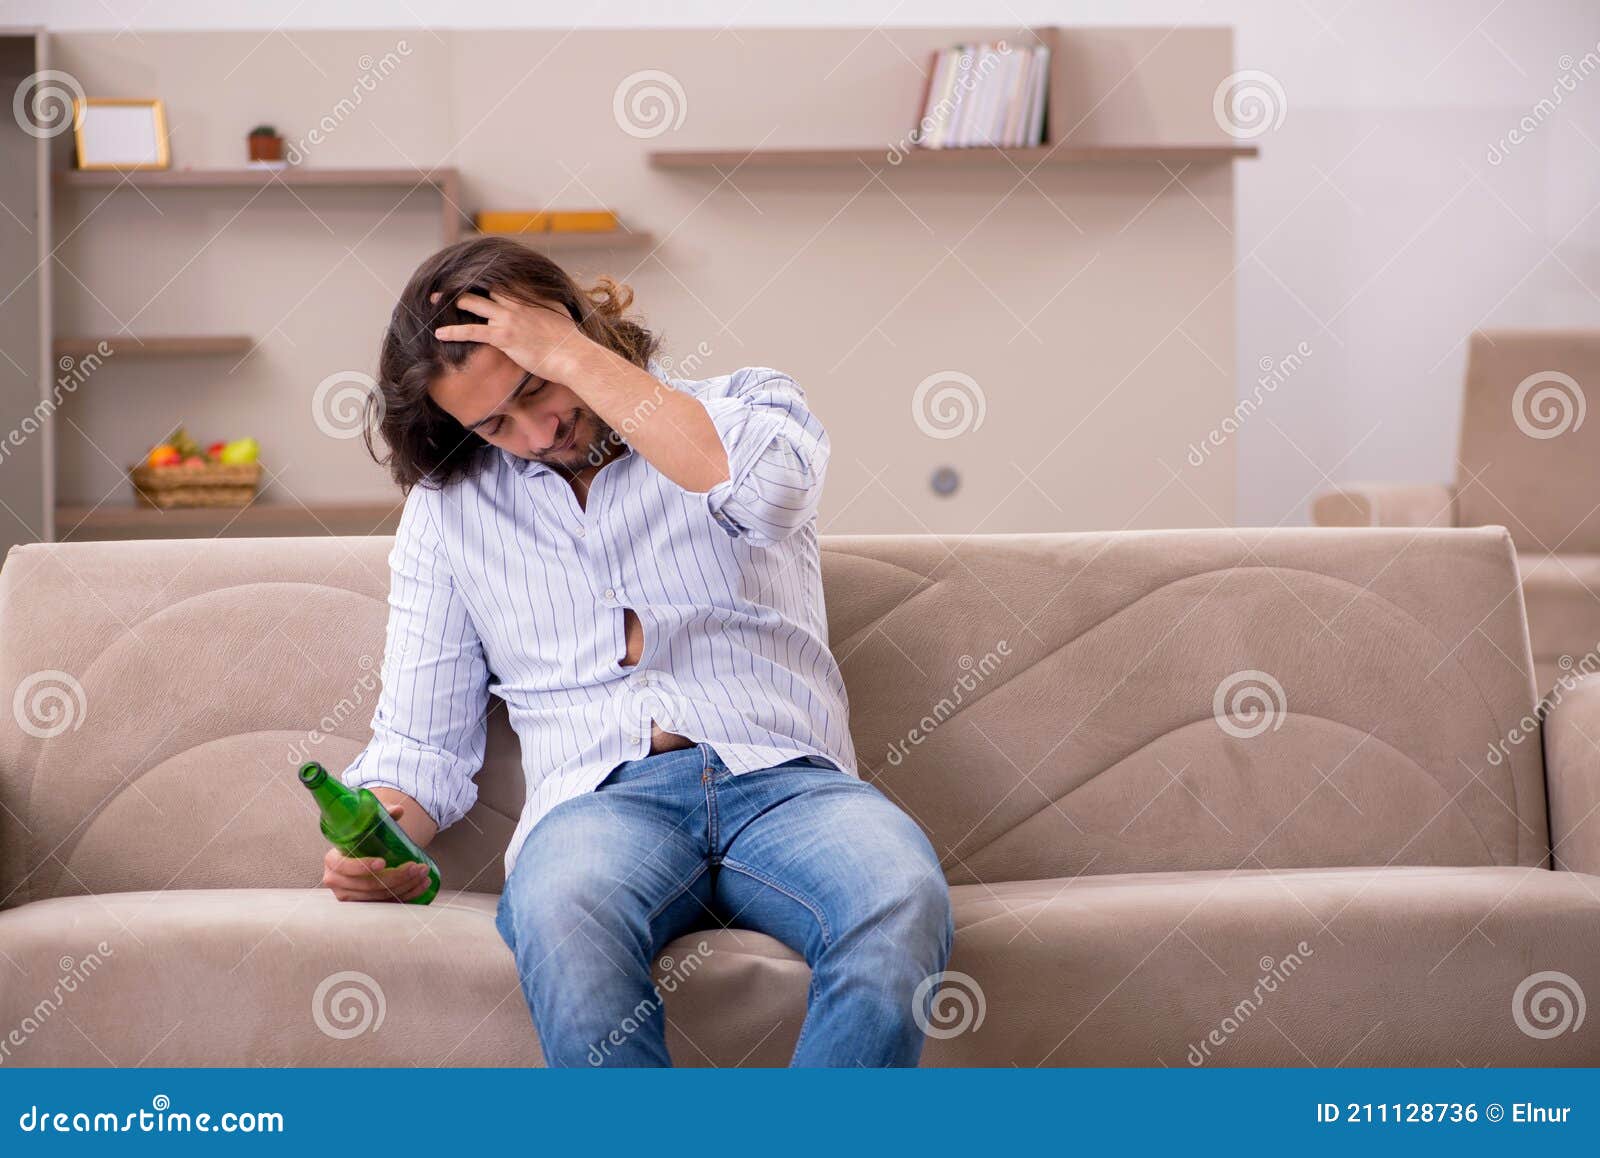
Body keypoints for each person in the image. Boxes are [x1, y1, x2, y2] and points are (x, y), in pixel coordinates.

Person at [320, 236, 954, 1067]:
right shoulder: (451, 511)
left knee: (900, 898)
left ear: (575, 325)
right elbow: (421, 744)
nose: (538, 428)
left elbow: (767, 494)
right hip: (599, 804)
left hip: (787, 783)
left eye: (535, 384)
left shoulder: (745, 409)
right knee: (563, 918)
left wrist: (574, 358)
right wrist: (383, 830)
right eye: (493, 424)